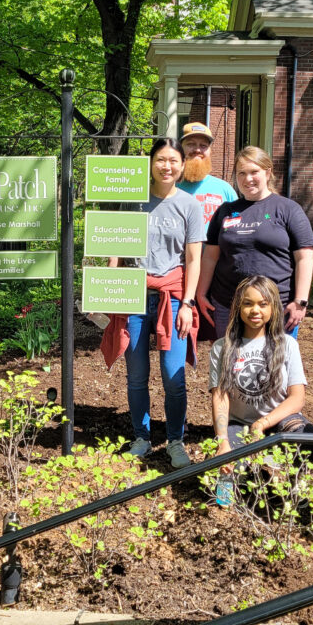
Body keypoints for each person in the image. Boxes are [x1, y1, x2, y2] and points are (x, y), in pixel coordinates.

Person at [102, 139, 204, 468]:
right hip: (133, 293)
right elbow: (115, 249)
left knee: (173, 376)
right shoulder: (134, 201)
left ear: (181, 165)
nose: (167, 166)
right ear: (151, 163)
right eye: (160, 160)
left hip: (173, 297)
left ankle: (175, 441)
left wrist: (188, 303)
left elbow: (193, 259)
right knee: (136, 374)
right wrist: (108, 290)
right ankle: (142, 438)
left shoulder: (190, 205)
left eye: (173, 161)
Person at [198, 146, 313, 339]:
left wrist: (300, 301)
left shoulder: (288, 209)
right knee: (231, 365)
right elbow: (210, 257)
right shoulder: (225, 211)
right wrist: (201, 294)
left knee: (274, 366)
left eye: (254, 172)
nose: (247, 179)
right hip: (228, 305)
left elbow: (305, 258)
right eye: (241, 173)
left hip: (277, 307)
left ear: (267, 173)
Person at [209, 276, 313, 471]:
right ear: (238, 308)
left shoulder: (287, 344)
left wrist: (261, 424)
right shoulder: (221, 348)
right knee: (228, 465)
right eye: (247, 304)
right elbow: (220, 397)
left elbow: (297, 398)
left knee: (308, 439)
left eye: (263, 304)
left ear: (273, 308)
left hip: (279, 422)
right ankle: (258, 472)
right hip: (239, 426)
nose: (255, 310)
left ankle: (279, 475)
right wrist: (222, 441)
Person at [176, 121, 237, 228]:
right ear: (180, 149)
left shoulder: (225, 189)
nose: (197, 150)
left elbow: (236, 228)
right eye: (191, 144)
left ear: (210, 152)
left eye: (203, 146)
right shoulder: (169, 187)